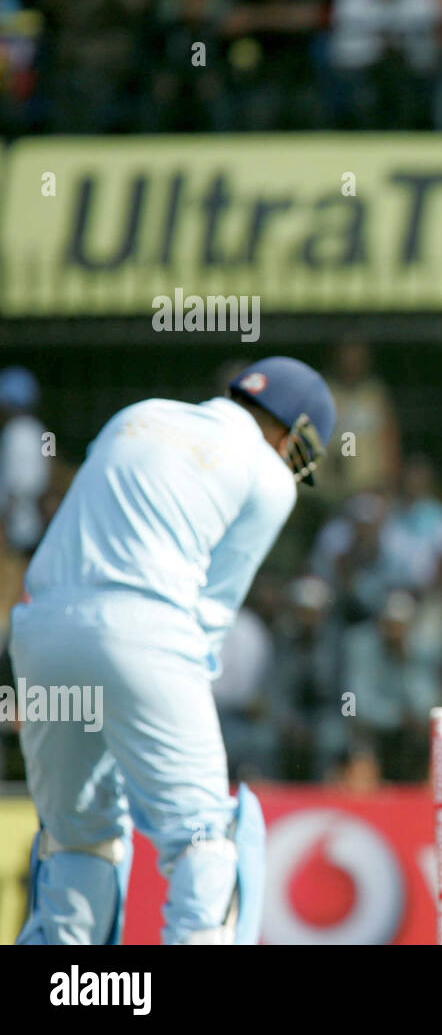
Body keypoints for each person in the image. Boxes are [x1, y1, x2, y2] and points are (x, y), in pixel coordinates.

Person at [11, 356, 335, 944]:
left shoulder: (140, 415)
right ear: (292, 433)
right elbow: (210, 614)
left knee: (77, 834)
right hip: (147, 631)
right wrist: (152, 713)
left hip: (41, 631)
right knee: (204, 836)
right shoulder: (266, 473)